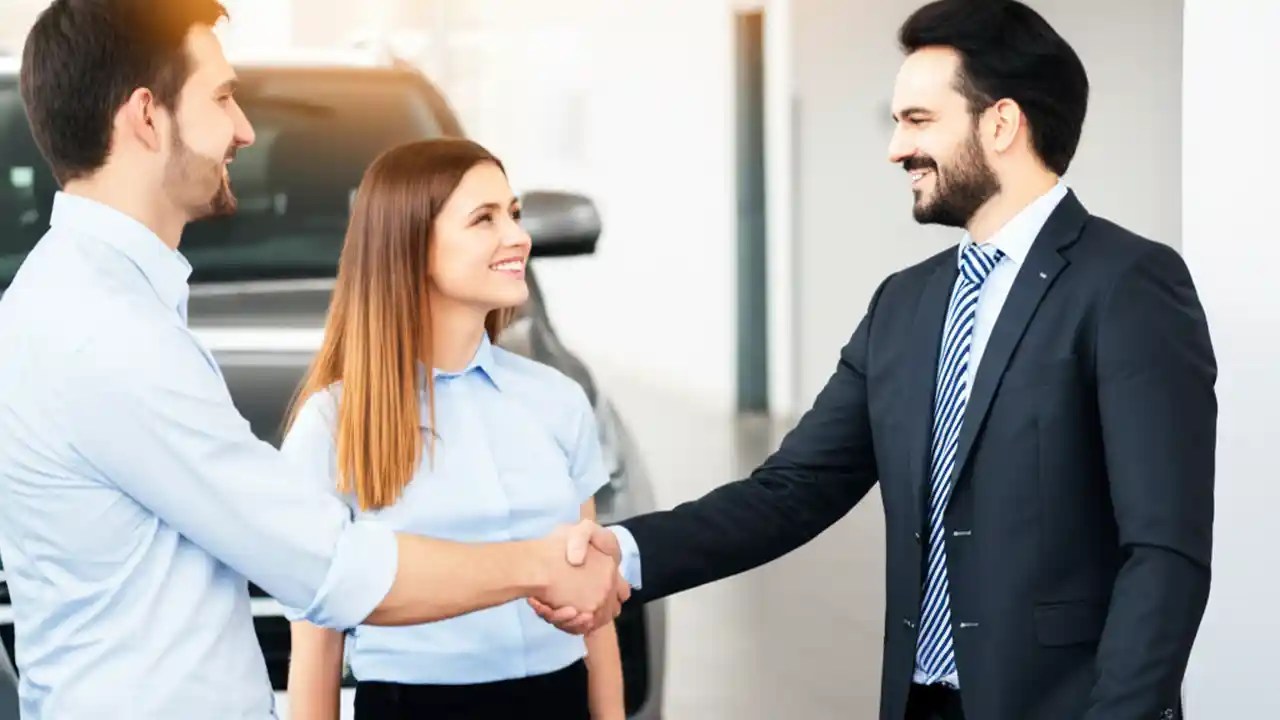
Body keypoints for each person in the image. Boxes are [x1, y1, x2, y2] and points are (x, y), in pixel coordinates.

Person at [537, 2, 1215, 719]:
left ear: (1001, 124)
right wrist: (625, 552)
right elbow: (794, 489)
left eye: (918, 120)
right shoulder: (906, 304)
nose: (896, 148)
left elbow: (1164, 553)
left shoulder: (1128, 285)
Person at [0, 2, 624, 718]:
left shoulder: (75, 301)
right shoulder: (102, 333)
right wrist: (539, 564)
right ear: (147, 116)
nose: (244, 129)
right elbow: (328, 566)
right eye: (223, 97)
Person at [280, 138, 625, 720]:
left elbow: (595, 608)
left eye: (513, 214)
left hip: (557, 698)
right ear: (412, 247)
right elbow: (316, 644)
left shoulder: (558, 402)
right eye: (483, 220)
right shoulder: (333, 425)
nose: (518, 238)